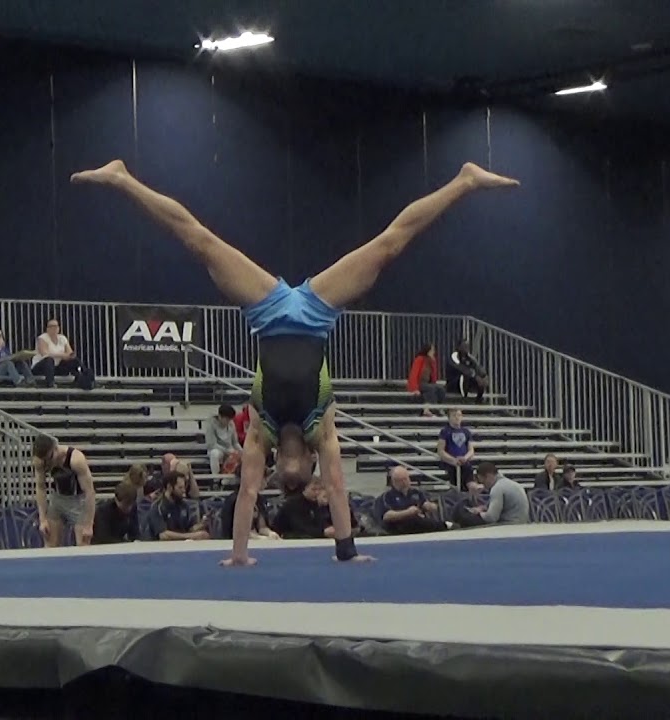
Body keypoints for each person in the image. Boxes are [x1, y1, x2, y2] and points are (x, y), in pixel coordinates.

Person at [73, 158, 519, 566]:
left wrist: (239, 554)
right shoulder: (321, 428)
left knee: (201, 241)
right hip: (315, 312)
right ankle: (465, 180)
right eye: (299, 481)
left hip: (266, 312)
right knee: (389, 246)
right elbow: (340, 487)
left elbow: (248, 491)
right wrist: (346, 551)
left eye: (283, 482)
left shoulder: (260, 431)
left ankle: (122, 178)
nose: (290, 479)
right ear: (309, 468)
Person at [32, 434, 96, 547]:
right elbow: (41, 487)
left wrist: (89, 524)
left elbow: (89, 492)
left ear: (55, 448)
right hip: (58, 499)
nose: (49, 463)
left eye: (50, 458)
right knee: (49, 542)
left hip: (78, 502)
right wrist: (42, 519)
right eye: (45, 461)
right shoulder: (40, 461)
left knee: (83, 545)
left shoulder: (76, 459)